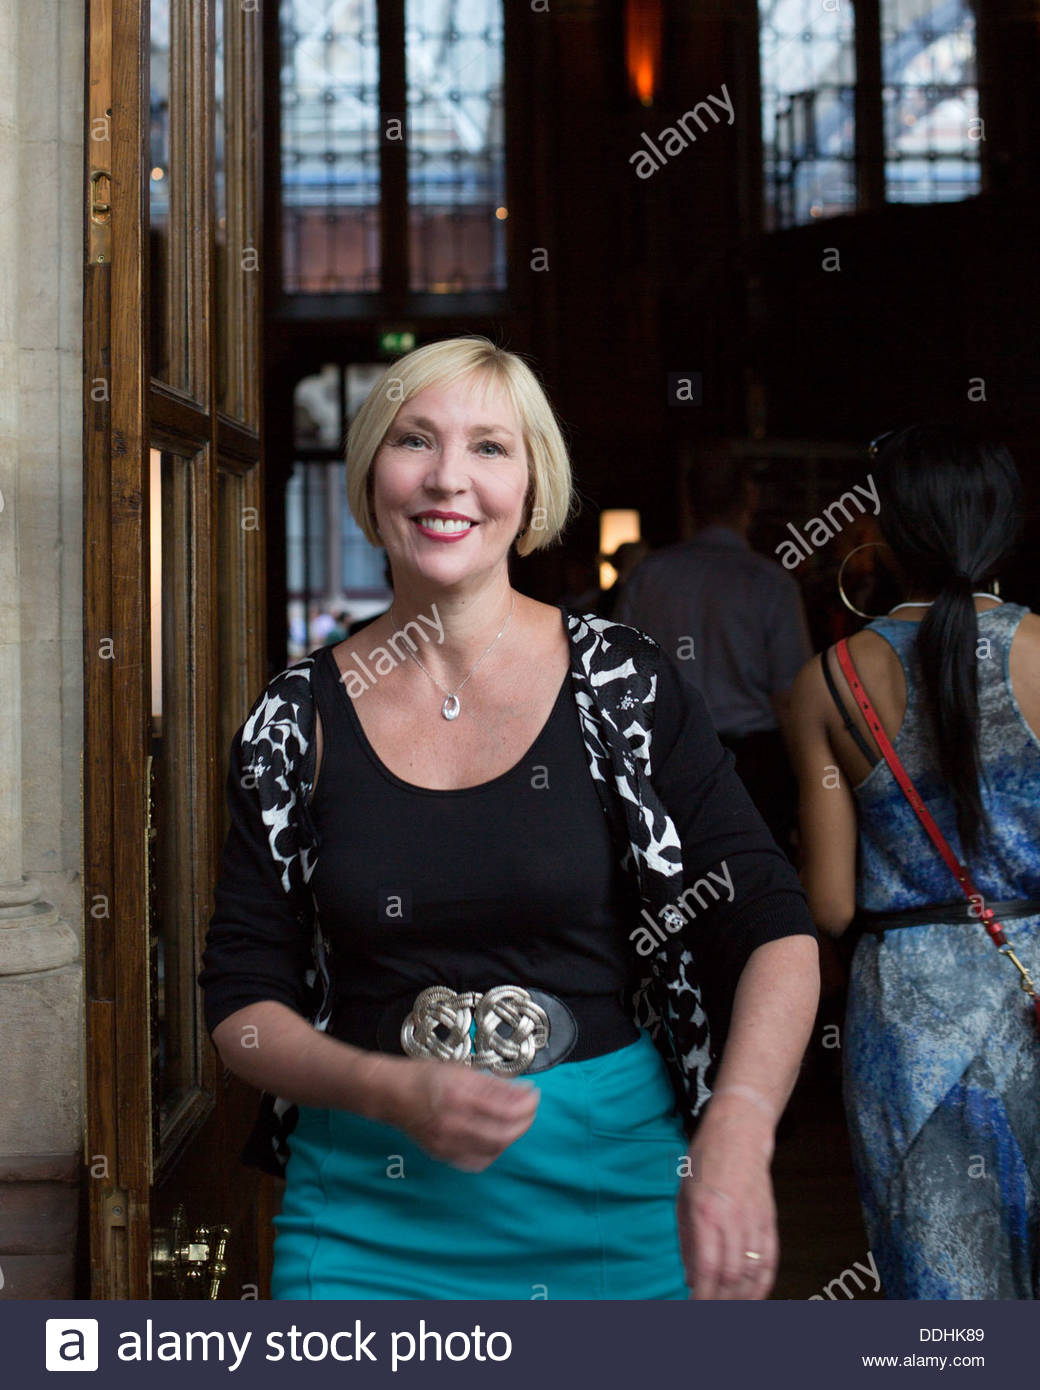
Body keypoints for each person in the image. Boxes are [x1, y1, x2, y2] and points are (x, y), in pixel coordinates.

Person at [198, 337, 819, 1301]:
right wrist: (387, 1089)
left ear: (533, 490)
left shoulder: (623, 683)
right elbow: (239, 1003)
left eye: (491, 447)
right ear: (370, 477)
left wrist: (739, 1125)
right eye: (414, 440)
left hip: (615, 1198)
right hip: (367, 1212)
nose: (450, 478)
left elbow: (774, 921)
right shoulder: (295, 720)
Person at [787, 423, 1040, 1299]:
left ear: (889, 534)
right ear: (1005, 527)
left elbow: (829, 904)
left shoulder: (829, 682)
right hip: (1036, 987)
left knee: (943, 1285)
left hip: (908, 1012)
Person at [615, 456, 811, 857]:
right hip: (753, 766)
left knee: (674, 882)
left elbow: (618, 679)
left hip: (664, 760)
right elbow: (789, 698)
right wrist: (810, 789)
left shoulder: (648, 576)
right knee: (754, 883)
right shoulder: (770, 582)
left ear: (689, 503)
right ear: (750, 500)